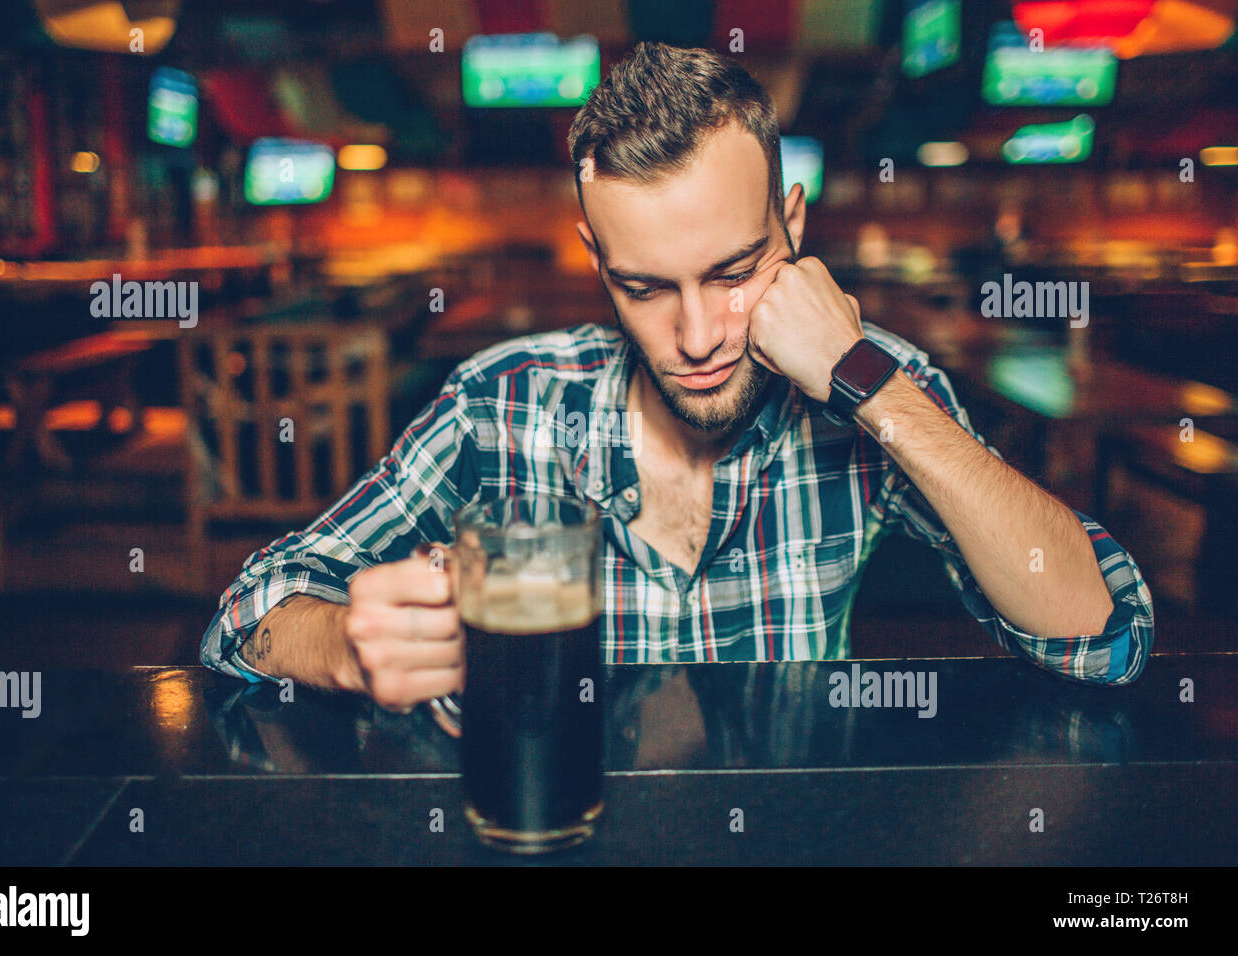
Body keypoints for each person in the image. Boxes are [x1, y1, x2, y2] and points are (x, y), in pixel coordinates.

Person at [200, 42, 1153, 713]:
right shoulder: (504, 402)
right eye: (645, 286)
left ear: (793, 223)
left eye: (735, 273)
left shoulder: (869, 389)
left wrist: (875, 387)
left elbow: (1104, 637)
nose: (697, 335)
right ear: (595, 257)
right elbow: (246, 616)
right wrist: (345, 647)